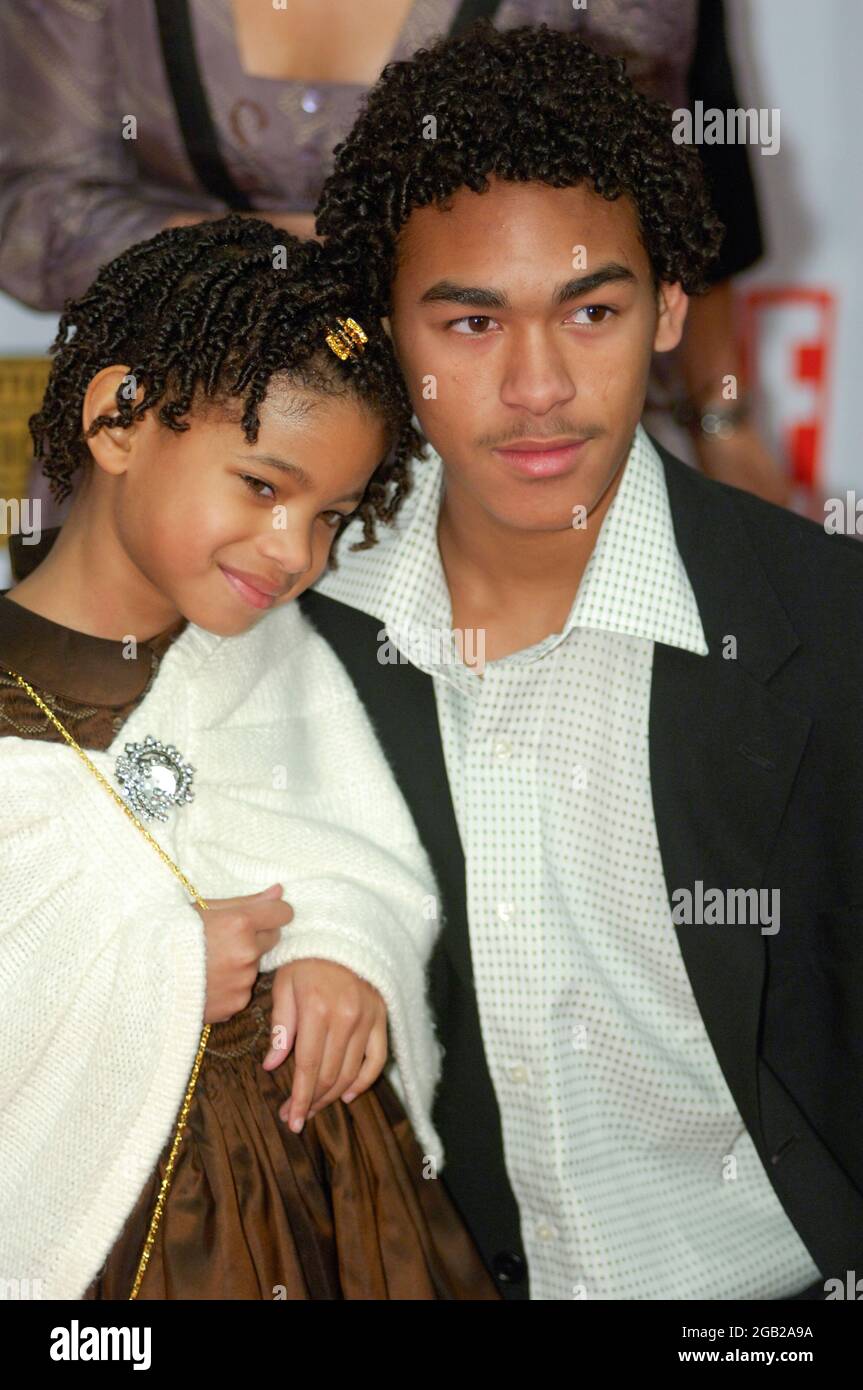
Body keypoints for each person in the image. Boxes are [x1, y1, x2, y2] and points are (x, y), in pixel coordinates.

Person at [290, 22, 863, 1301]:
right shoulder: (290, 633)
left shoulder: (829, 629)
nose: (537, 384)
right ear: (383, 333)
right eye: (471, 321)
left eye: (588, 309)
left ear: (668, 308)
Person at [0, 214, 499, 1301]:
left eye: (331, 515)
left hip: (328, 1219)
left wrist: (339, 948)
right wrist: (172, 962)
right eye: (263, 487)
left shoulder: (279, 665)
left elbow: (362, 870)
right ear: (119, 418)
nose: (294, 554)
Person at [0, 0, 785, 535]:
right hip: (179, 448)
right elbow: (34, 212)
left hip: (495, 468)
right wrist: (339, 247)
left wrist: (725, 425)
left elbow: (658, 200)